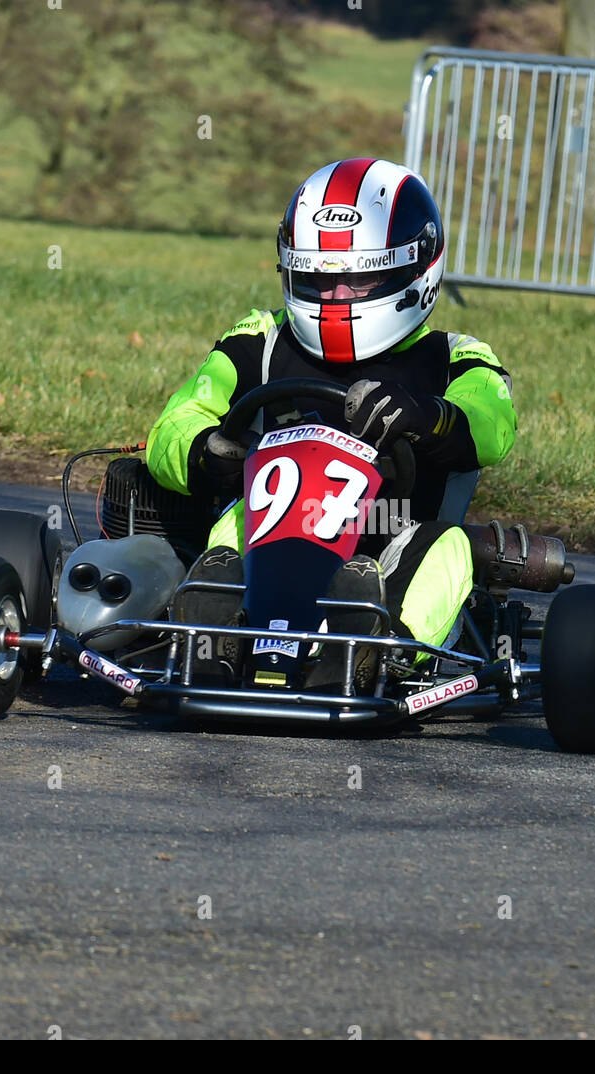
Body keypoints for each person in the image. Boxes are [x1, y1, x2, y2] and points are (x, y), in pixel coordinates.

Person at [146, 157, 516, 689]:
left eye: (359, 280)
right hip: (272, 529)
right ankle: (215, 637)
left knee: (447, 546)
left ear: (414, 269)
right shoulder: (259, 342)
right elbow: (176, 421)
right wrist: (205, 451)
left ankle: (374, 647)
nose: (337, 296)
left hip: (390, 535)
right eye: (319, 278)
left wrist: (427, 417)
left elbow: (493, 425)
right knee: (233, 521)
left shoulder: (453, 358)